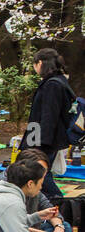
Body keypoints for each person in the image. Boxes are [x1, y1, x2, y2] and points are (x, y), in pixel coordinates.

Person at [22, 48, 76, 200]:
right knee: (40, 172)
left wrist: (40, 144)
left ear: (40, 63)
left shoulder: (52, 84)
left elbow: (49, 115)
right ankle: (50, 204)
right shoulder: (58, 81)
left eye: (35, 64)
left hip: (42, 138)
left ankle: (57, 202)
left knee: (38, 172)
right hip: (42, 136)